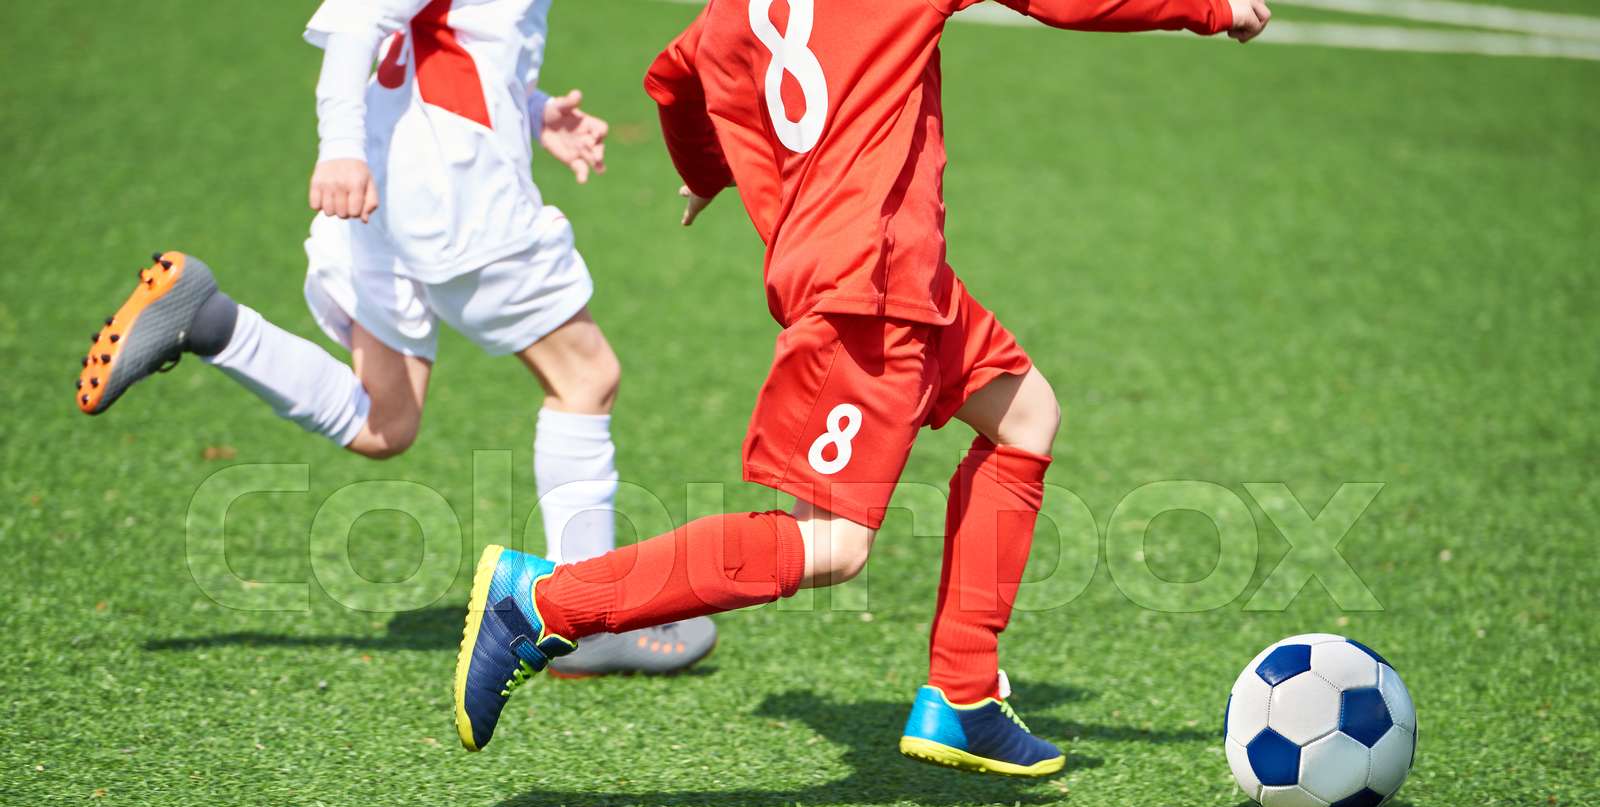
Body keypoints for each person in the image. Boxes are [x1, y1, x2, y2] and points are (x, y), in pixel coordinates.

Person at [453, 0, 1271, 763]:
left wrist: (706, 172)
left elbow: (674, 77)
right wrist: (1209, 8)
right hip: (870, 282)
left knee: (1027, 415)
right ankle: (547, 602)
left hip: (886, 273)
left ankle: (963, 690)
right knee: (831, 544)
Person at [72, 0, 715, 677]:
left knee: (385, 421)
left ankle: (208, 322)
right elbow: (358, 19)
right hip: (455, 192)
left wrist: (531, 108)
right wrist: (340, 149)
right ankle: (587, 617)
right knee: (586, 378)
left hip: (397, 184)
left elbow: (442, 33)